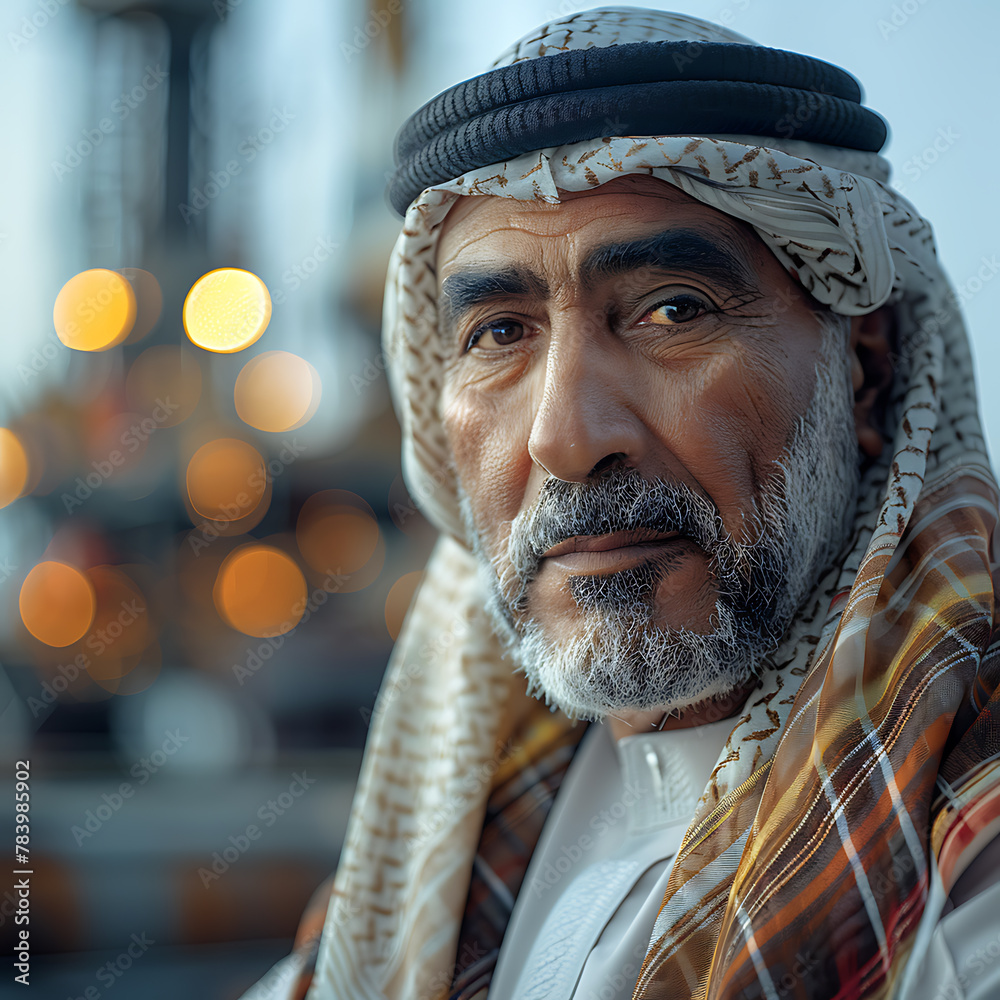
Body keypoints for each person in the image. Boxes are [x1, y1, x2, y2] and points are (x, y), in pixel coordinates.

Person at [243, 8, 1000, 999]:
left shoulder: (967, 869)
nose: (564, 435)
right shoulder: (452, 814)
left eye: (670, 310)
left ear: (864, 369)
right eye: (499, 332)